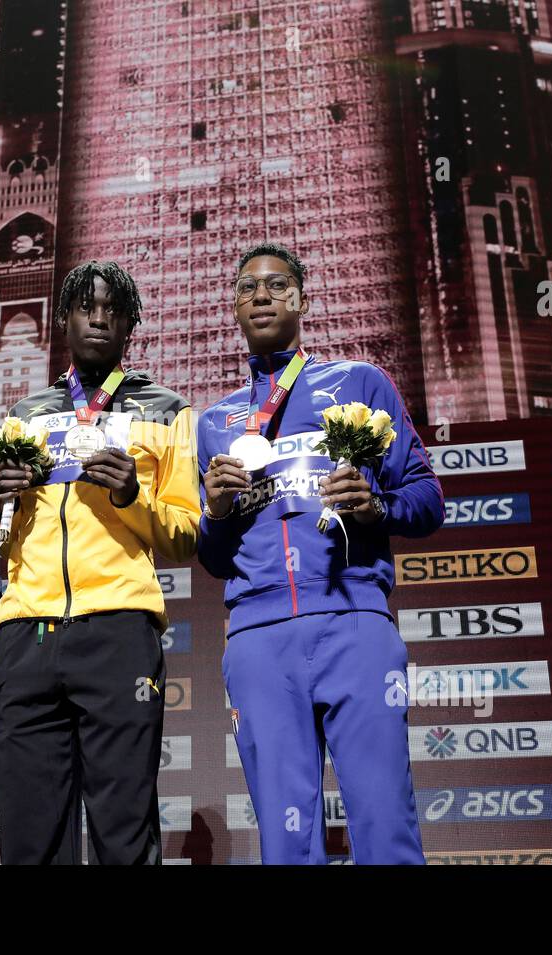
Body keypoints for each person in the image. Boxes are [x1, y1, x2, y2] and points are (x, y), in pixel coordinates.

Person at [195, 242, 444, 864]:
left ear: (301, 299)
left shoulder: (359, 383)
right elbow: (215, 557)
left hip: (353, 623)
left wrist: (375, 507)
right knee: (286, 842)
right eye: (247, 288)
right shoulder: (216, 422)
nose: (260, 297)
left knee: (385, 824)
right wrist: (216, 513)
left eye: (276, 286)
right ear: (233, 307)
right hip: (258, 638)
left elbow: (428, 498)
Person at [0, 261, 201, 864]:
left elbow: (185, 535)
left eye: (112, 309)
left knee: (123, 831)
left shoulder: (167, 409)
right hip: (26, 632)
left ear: (131, 322)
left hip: (117, 631)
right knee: (29, 840)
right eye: (86, 307)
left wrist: (132, 495)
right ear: (65, 318)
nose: (99, 318)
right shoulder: (24, 413)